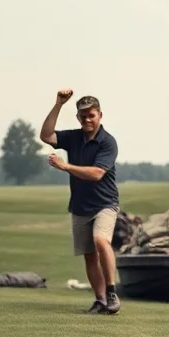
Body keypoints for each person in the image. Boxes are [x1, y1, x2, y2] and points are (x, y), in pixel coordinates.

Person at [39, 89, 122, 315]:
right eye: (83, 116)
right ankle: (100, 299)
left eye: (91, 115)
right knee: (89, 254)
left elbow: (96, 173)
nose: (87, 119)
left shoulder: (108, 142)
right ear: (78, 117)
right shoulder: (74, 137)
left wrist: (65, 166)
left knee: (100, 241)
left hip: (105, 203)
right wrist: (58, 104)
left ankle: (112, 292)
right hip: (80, 206)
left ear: (100, 115)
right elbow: (46, 136)